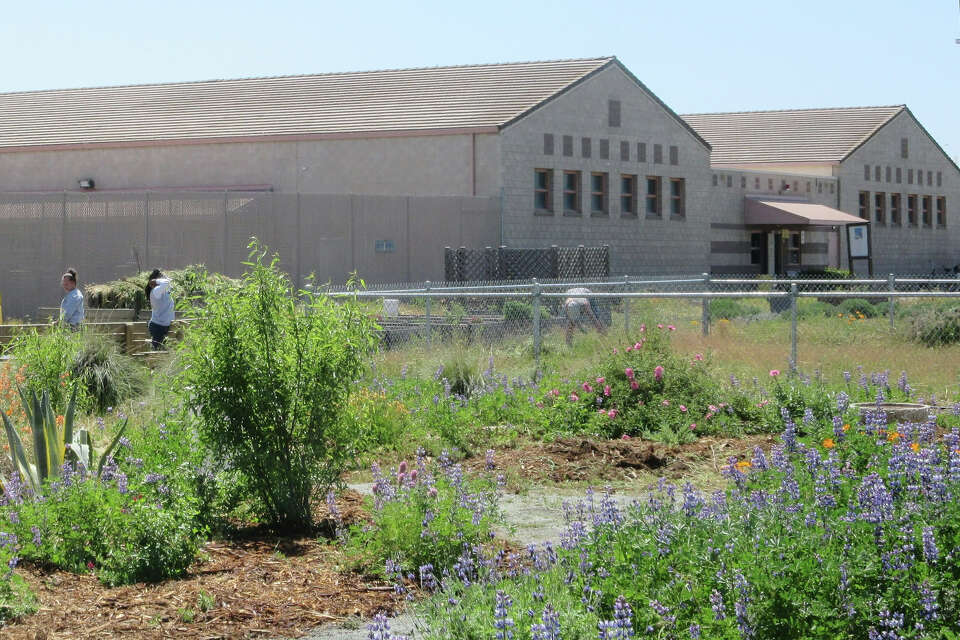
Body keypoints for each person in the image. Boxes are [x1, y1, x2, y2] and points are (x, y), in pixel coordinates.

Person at [145, 269, 174, 350]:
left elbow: (169, 282)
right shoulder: (155, 291)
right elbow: (166, 282)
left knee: (162, 354)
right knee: (156, 355)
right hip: (158, 327)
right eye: (162, 277)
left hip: (165, 326)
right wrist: (155, 280)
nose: (164, 278)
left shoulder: (162, 291)